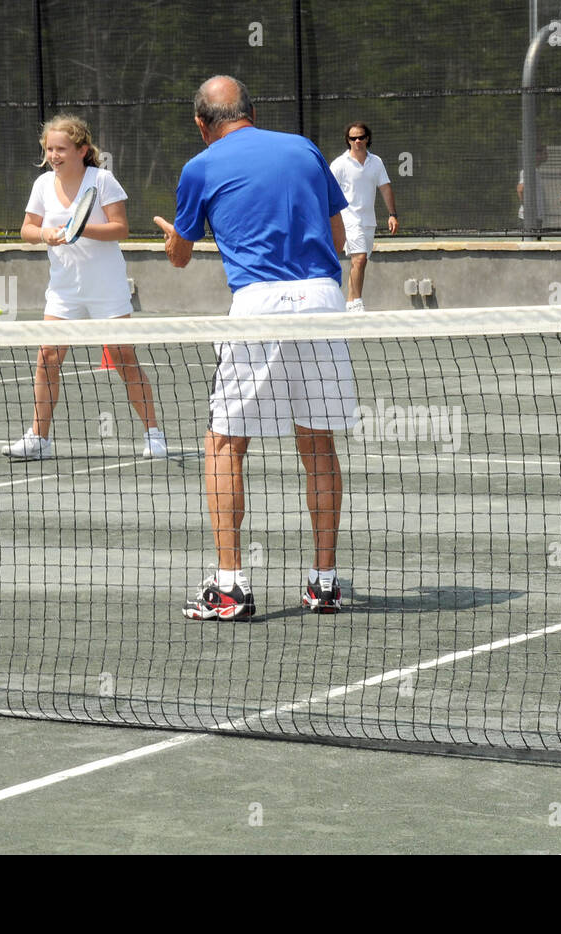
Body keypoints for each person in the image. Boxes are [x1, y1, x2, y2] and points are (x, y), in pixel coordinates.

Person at [153, 75, 355, 620]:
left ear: (201, 124)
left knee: (224, 444)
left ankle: (231, 586)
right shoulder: (306, 149)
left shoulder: (199, 168)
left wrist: (174, 239)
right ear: (253, 110)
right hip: (323, 299)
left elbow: (180, 257)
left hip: (258, 307)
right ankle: (325, 583)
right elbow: (338, 241)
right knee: (317, 442)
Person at [4, 114, 166, 461]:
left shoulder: (102, 180)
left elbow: (121, 228)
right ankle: (39, 439)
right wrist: (44, 234)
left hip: (106, 287)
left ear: (82, 150)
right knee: (47, 357)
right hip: (64, 290)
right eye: (49, 149)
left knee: (124, 358)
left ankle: (154, 435)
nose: (54, 155)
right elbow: (27, 229)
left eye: (61, 148)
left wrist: (82, 230)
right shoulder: (43, 185)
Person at [330, 121, 398, 312]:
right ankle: (357, 301)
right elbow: (328, 191)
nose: (357, 141)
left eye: (361, 137)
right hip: (348, 221)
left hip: (369, 221)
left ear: (367, 139)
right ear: (348, 141)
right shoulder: (339, 165)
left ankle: (351, 302)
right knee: (358, 259)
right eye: (353, 138)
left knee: (360, 261)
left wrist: (392, 215)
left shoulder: (376, 162)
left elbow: (385, 188)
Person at [517, 143, 549, 229]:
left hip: (536, 217)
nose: (547, 155)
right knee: (530, 241)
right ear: (537, 155)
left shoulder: (535, 171)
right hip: (530, 219)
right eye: (545, 153)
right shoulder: (529, 171)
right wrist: (527, 209)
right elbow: (520, 189)